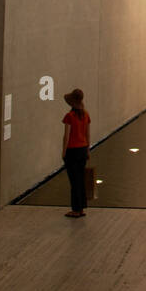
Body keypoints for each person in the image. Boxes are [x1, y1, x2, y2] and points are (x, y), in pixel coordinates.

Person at [62, 88, 91, 219]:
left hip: (72, 150)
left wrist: (63, 152)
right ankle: (81, 208)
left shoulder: (69, 116)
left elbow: (66, 136)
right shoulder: (86, 115)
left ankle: (75, 209)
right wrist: (88, 149)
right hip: (83, 149)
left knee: (74, 181)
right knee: (80, 179)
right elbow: (87, 134)